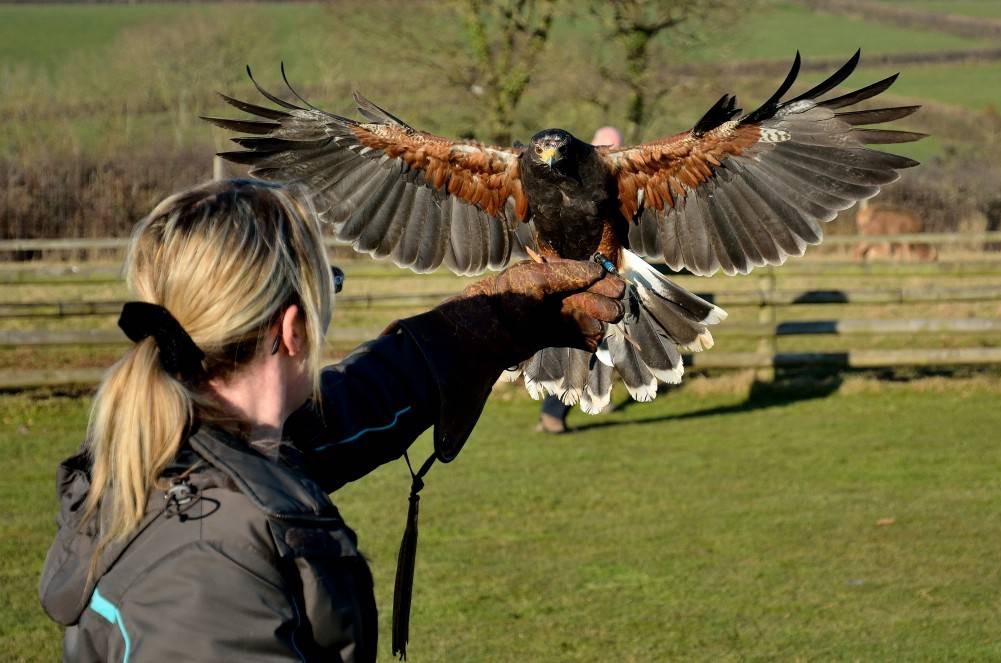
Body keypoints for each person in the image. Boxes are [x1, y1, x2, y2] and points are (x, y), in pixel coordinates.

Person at [38, 179, 625, 661]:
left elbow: (348, 412)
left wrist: (481, 324)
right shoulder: (211, 575)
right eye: (328, 294)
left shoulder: (179, 456)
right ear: (292, 330)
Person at [536, 126, 624, 434]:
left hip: (606, 266)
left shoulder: (613, 169)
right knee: (582, 337)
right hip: (573, 274)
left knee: (594, 341)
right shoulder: (555, 175)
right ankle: (553, 412)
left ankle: (564, 407)